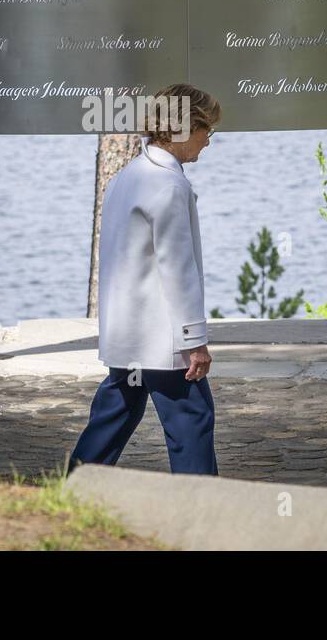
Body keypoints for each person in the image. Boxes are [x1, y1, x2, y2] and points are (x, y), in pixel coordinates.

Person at [68, 84, 222, 475]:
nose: (209, 142)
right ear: (187, 127)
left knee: (114, 415)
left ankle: (74, 490)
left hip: (128, 334)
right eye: (209, 131)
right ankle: (202, 511)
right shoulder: (168, 184)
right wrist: (194, 341)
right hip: (162, 338)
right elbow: (177, 267)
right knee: (192, 420)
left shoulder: (127, 176)